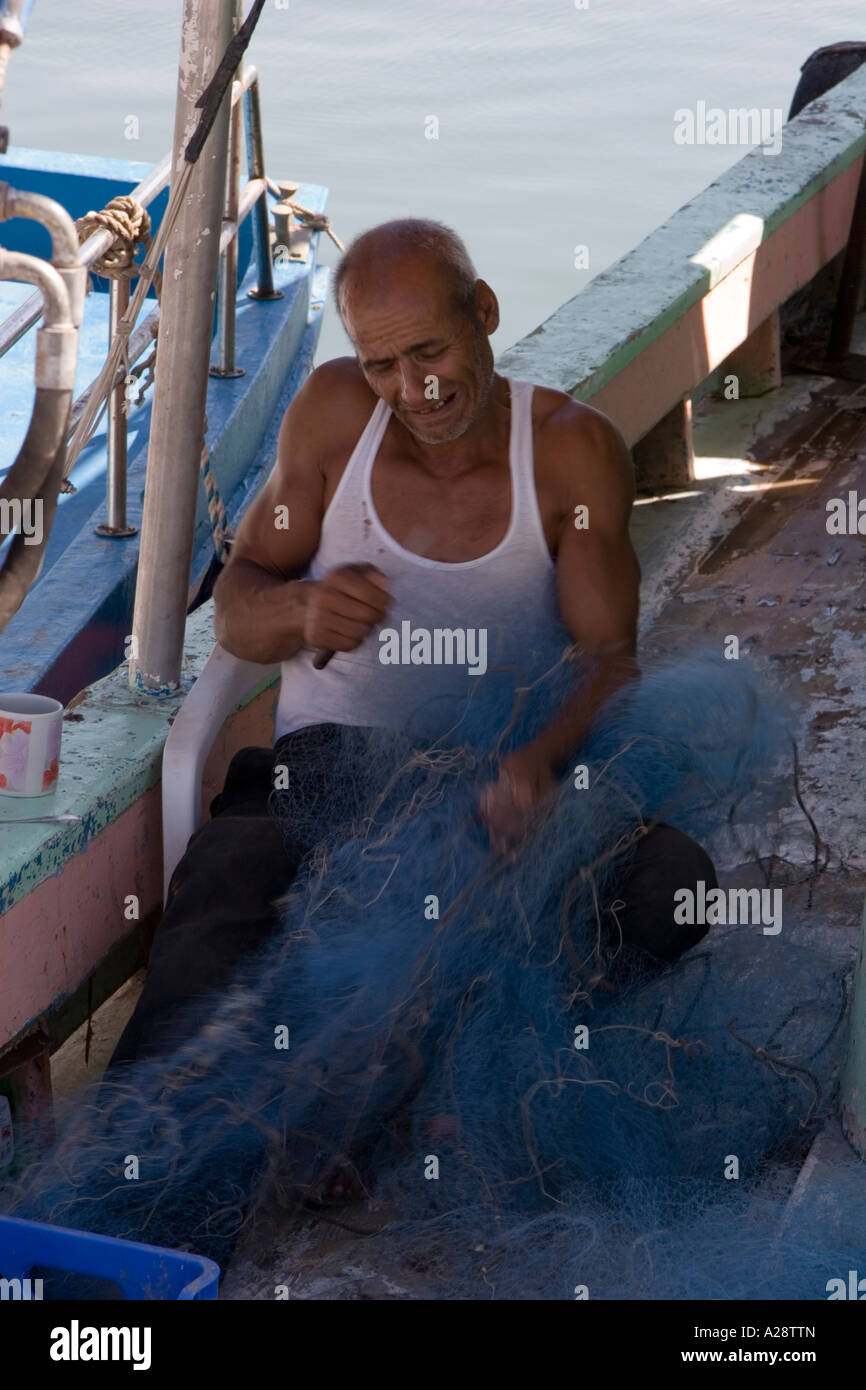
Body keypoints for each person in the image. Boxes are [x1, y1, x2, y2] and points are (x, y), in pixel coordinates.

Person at [109, 217, 716, 1070]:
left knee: (674, 891)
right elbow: (241, 600)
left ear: (486, 312)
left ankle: (477, 1052)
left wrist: (537, 764)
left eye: (429, 352)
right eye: (381, 364)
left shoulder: (569, 453)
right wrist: (306, 612)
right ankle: (135, 1154)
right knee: (220, 894)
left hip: (491, 783)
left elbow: (609, 658)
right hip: (322, 773)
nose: (411, 389)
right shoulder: (331, 416)